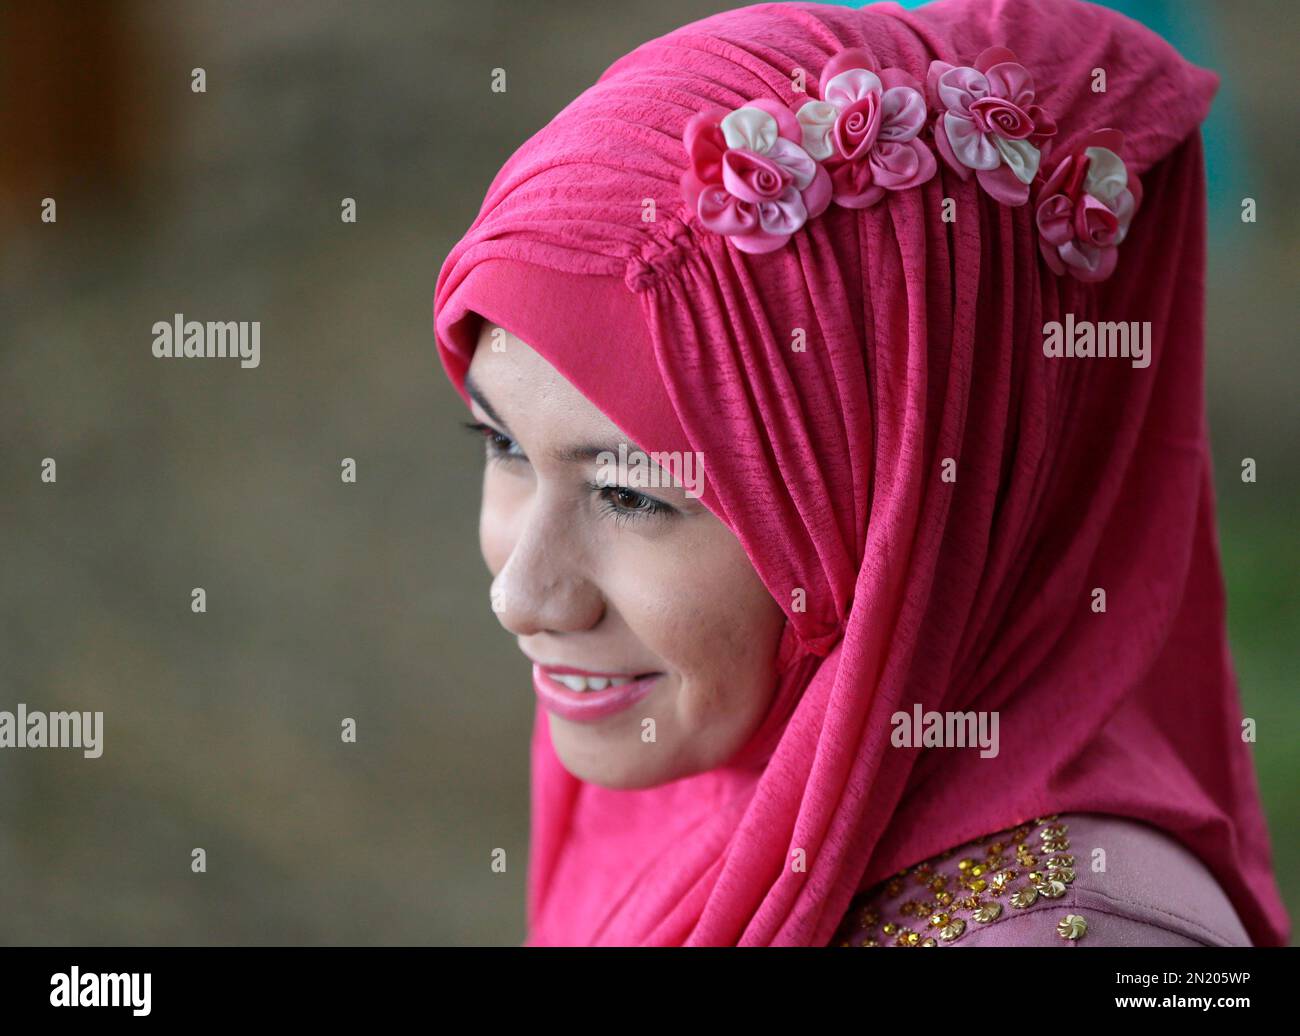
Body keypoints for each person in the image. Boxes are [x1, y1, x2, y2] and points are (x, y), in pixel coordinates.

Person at [432, 0, 1290, 946]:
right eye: (504, 446)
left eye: (631, 493)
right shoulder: (711, 759)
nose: (523, 597)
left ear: (902, 497)